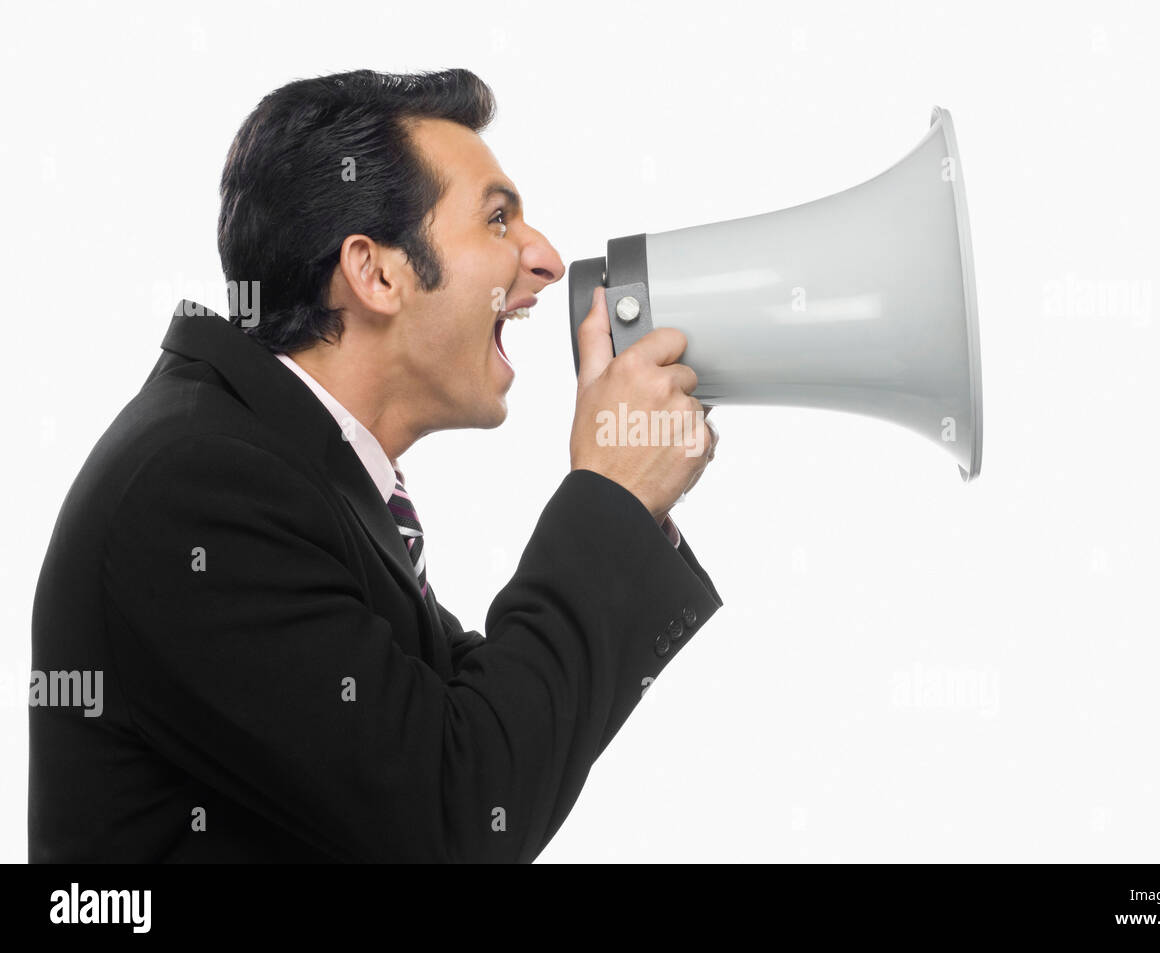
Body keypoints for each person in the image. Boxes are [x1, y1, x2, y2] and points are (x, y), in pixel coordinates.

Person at [29, 68, 720, 863]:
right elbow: (460, 809)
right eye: (498, 220)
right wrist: (611, 497)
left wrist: (636, 509)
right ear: (377, 272)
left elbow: (479, 714)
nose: (548, 259)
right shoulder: (195, 489)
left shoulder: (290, 467)